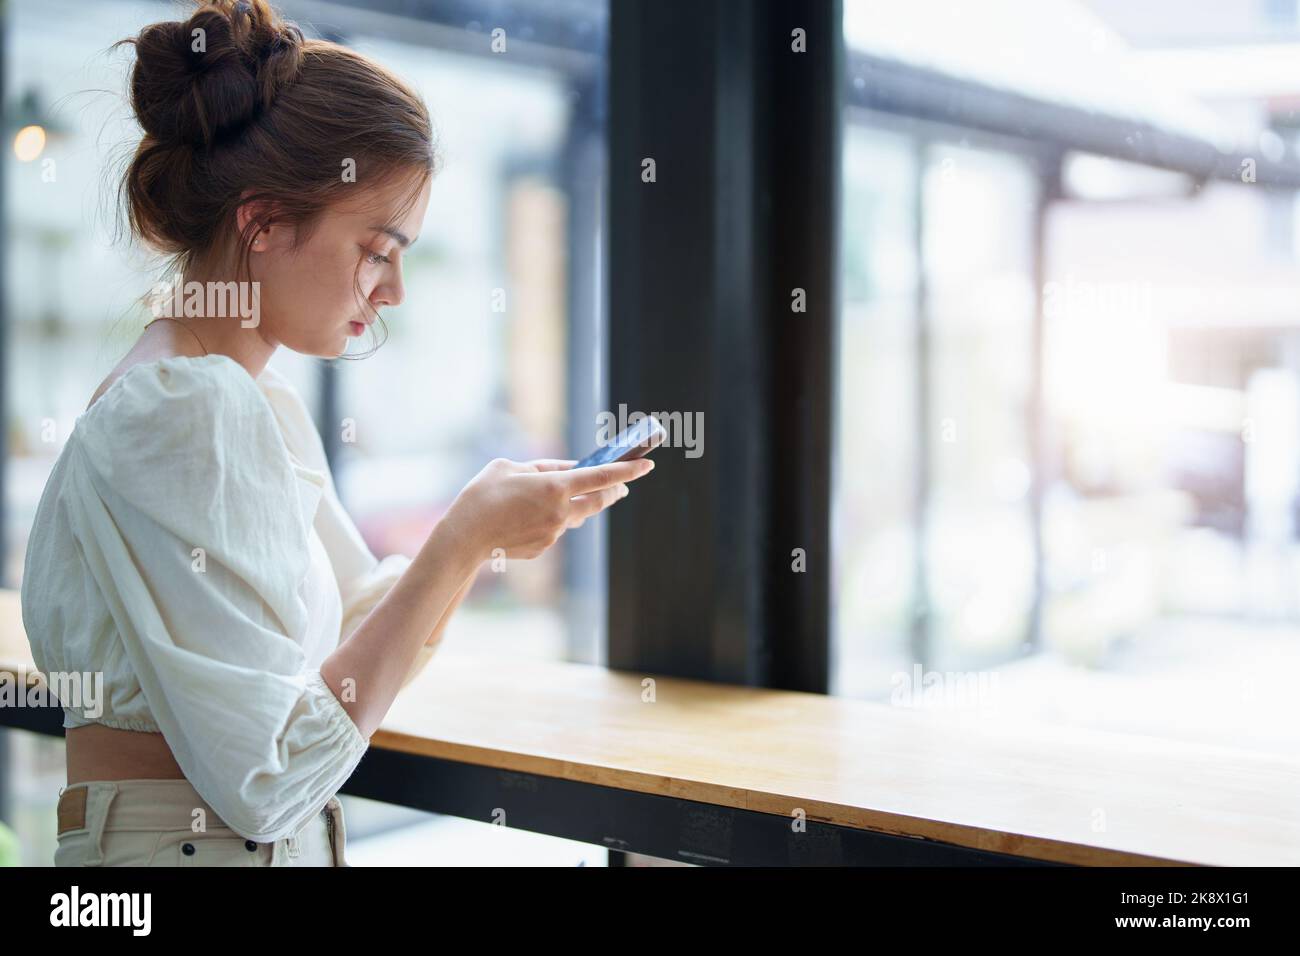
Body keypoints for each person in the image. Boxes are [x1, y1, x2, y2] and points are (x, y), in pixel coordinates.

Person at [20, 0, 654, 867]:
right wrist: (463, 541)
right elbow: (272, 774)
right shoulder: (180, 409)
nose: (392, 290)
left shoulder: (251, 398)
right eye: (377, 248)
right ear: (264, 222)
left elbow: (360, 627)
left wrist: (477, 535)